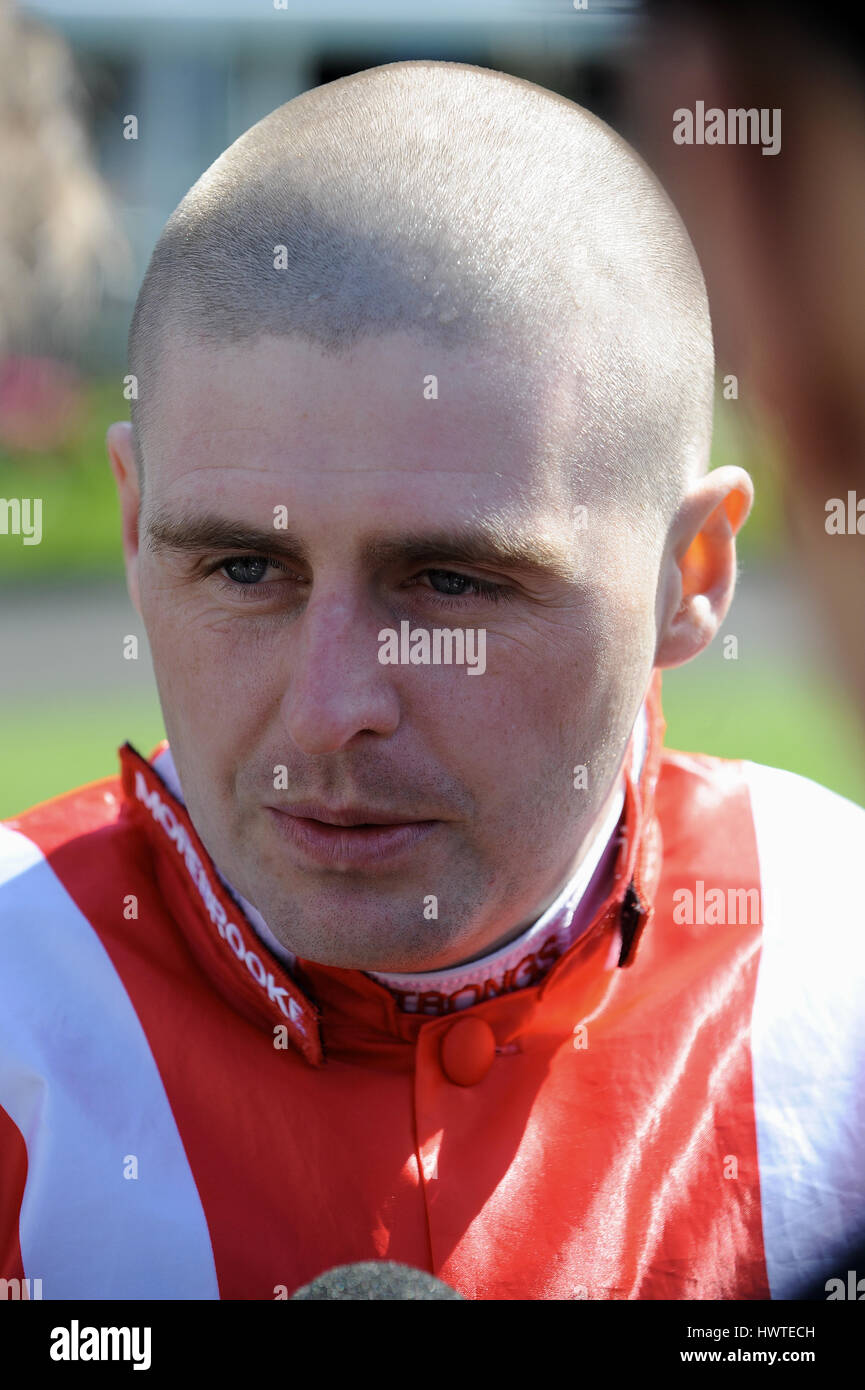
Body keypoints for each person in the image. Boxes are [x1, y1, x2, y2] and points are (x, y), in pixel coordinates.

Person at [1, 60, 862, 1302]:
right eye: (246, 566)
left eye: (452, 583)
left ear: (691, 572)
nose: (330, 703)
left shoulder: (837, 987)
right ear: (135, 533)